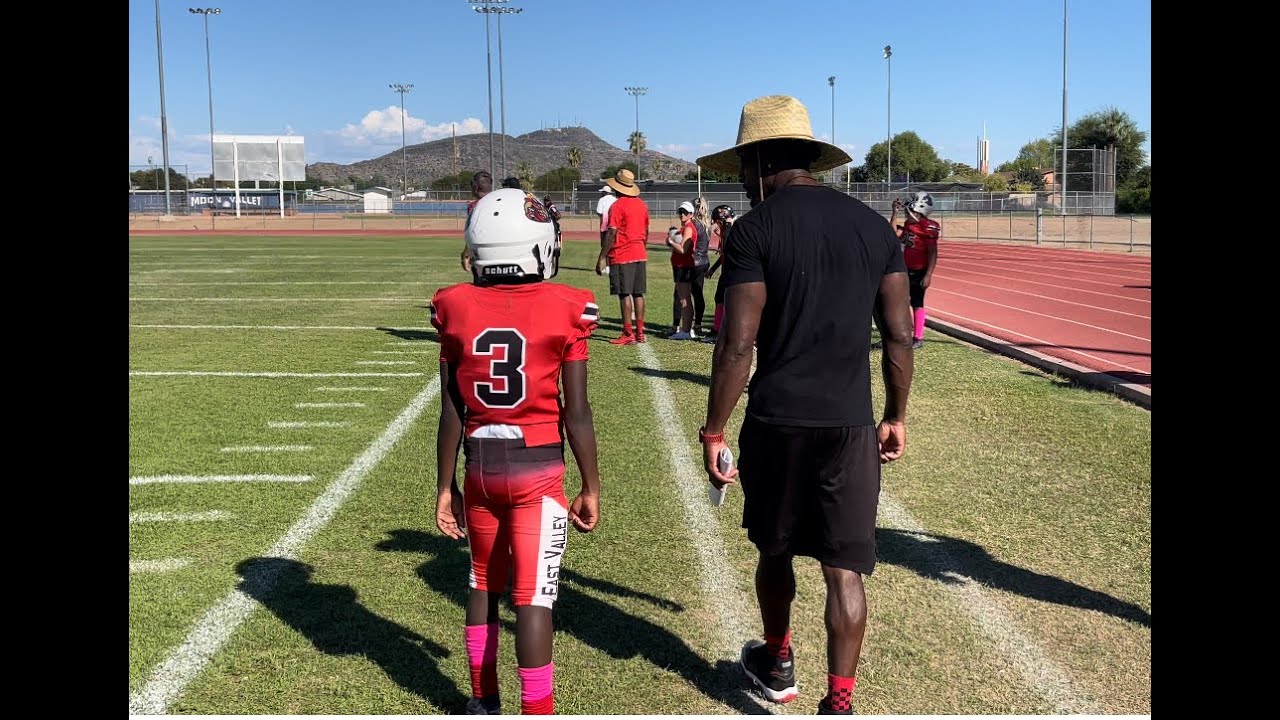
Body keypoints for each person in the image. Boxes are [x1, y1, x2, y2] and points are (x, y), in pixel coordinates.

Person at [695, 95, 915, 715]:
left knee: (775, 548)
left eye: (742, 165)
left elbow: (738, 343)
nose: (740, 178)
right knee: (844, 570)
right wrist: (895, 415)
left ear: (763, 159)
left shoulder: (754, 231)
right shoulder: (874, 226)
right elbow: (899, 334)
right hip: (849, 425)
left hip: (777, 422)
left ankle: (778, 658)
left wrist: (714, 429)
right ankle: (839, 701)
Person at [431, 188, 603, 716]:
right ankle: (537, 710)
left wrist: (444, 486)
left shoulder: (453, 305)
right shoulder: (568, 308)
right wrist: (592, 485)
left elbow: (451, 411)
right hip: (540, 471)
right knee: (533, 598)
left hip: (480, 468)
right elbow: (577, 413)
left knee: (481, 583)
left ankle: (484, 701)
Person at [594, 168, 650, 345]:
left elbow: (611, 233)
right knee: (638, 294)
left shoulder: (617, 206)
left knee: (624, 294)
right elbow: (646, 230)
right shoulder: (642, 204)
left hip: (622, 254)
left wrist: (602, 256)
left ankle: (627, 333)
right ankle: (640, 332)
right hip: (640, 253)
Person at [889, 191, 940, 349]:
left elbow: (933, 252)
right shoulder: (909, 225)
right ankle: (900, 333)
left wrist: (928, 274)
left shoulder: (928, 227)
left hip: (919, 271)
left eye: (907, 210)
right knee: (899, 302)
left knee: (917, 303)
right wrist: (894, 213)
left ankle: (918, 337)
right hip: (904, 269)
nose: (906, 212)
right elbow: (892, 234)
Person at [702, 204, 736, 341]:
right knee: (720, 299)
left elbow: (727, 249)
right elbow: (723, 254)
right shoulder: (726, 230)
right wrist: (713, 269)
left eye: (717, 221)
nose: (716, 224)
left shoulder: (730, 230)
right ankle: (718, 330)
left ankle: (719, 331)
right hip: (728, 270)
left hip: (732, 271)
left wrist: (727, 227)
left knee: (724, 300)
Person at [665, 201, 699, 339]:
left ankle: (685, 330)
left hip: (684, 266)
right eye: (680, 211)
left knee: (684, 298)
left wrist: (671, 242)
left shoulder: (689, 228)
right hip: (681, 266)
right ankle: (685, 329)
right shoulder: (685, 227)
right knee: (682, 297)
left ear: (691, 214)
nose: (682, 214)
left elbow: (683, 249)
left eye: (685, 212)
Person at [461, 170, 493, 273]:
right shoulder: (502, 201)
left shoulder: (475, 206)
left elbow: (474, 233)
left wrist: (466, 254)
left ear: (475, 187)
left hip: (483, 254)